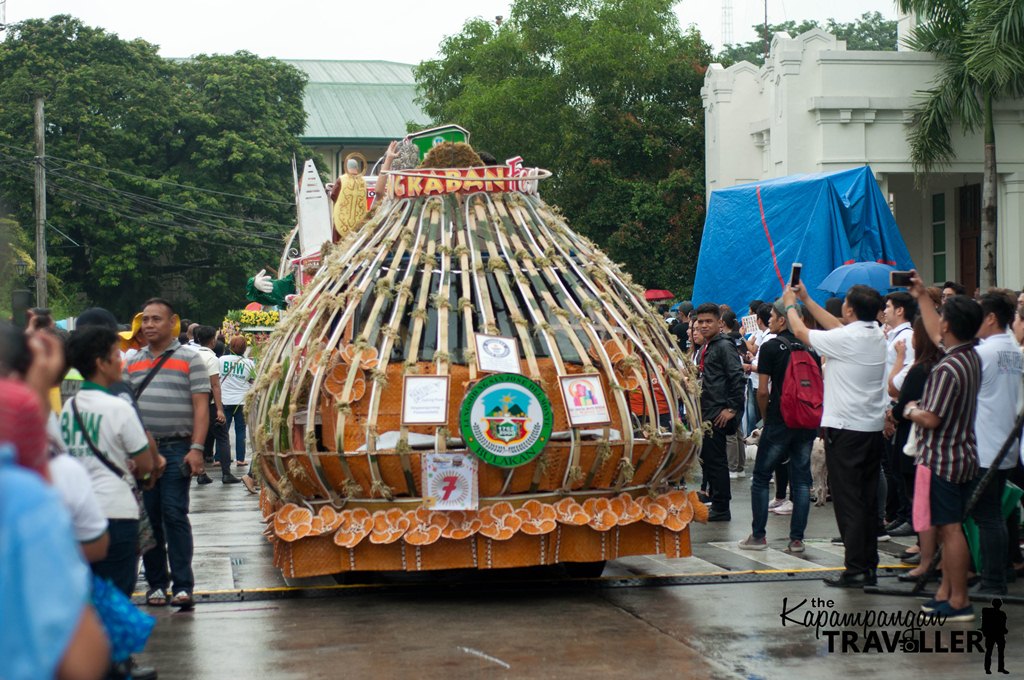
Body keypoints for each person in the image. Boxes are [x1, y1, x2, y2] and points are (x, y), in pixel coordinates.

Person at [783, 283, 887, 588]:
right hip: (870, 429)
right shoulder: (875, 334)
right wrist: (806, 299)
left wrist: (791, 305)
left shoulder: (848, 337)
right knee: (865, 499)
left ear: (851, 309)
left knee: (847, 501)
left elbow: (802, 333)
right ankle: (868, 564)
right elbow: (837, 327)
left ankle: (855, 567)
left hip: (846, 430)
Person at [904, 275, 983, 621]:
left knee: (950, 531)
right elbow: (938, 335)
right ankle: (949, 594)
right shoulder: (970, 356)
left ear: (949, 323)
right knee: (954, 529)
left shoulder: (948, 366)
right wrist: (922, 295)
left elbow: (931, 418)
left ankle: (958, 601)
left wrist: (909, 409)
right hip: (964, 452)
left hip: (943, 457)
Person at [63, 326, 163, 596]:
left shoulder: (68, 408)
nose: (122, 360)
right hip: (117, 513)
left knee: (87, 598)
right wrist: (147, 473)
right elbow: (145, 464)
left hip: (79, 514)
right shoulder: (119, 408)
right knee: (117, 598)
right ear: (101, 363)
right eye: (115, 356)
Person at [123, 298, 209, 610]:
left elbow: (201, 407)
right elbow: (126, 408)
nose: (148, 325)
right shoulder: (131, 363)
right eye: (145, 319)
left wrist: (197, 449)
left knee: (174, 513)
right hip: (143, 453)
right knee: (152, 518)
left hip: (177, 450)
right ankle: (157, 585)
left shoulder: (190, 359)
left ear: (172, 322)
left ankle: (183, 585)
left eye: (155, 319)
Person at [739, 299, 820, 553]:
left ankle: (758, 536)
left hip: (779, 420)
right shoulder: (810, 348)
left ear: (783, 319)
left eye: (772, 316)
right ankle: (797, 540)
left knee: (762, 477)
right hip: (806, 420)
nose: (769, 320)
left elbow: (762, 391)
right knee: (802, 481)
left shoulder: (772, 347)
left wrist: (767, 418)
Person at [964, 290, 1023, 596]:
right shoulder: (1013, 350)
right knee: (996, 514)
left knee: (988, 516)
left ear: (990, 318)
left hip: (985, 445)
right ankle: (997, 574)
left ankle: (993, 580)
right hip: (1004, 444)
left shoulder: (983, 353)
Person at [693, 303, 746, 521]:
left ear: (719, 323)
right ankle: (715, 499)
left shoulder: (724, 346)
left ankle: (722, 507)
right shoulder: (709, 345)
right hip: (706, 411)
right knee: (708, 459)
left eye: (709, 322)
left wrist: (731, 409)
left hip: (718, 413)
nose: (704, 326)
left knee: (716, 462)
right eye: (701, 322)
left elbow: (737, 377)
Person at [193, 325, 240, 485]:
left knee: (200, 438)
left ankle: (201, 473)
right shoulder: (212, 359)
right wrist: (220, 409)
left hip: (193, 402)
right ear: (213, 340)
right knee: (222, 436)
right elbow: (215, 385)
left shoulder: (191, 355)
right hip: (210, 403)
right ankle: (226, 473)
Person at [220, 336, 255, 468]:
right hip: (241, 401)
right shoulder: (249, 363)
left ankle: (219, 458)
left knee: (223, 431)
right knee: (240, 430)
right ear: (245, 348)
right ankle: (240, 459)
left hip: (224, 400)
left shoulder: (221, 360)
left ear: (231, 346)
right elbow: (253, 380)